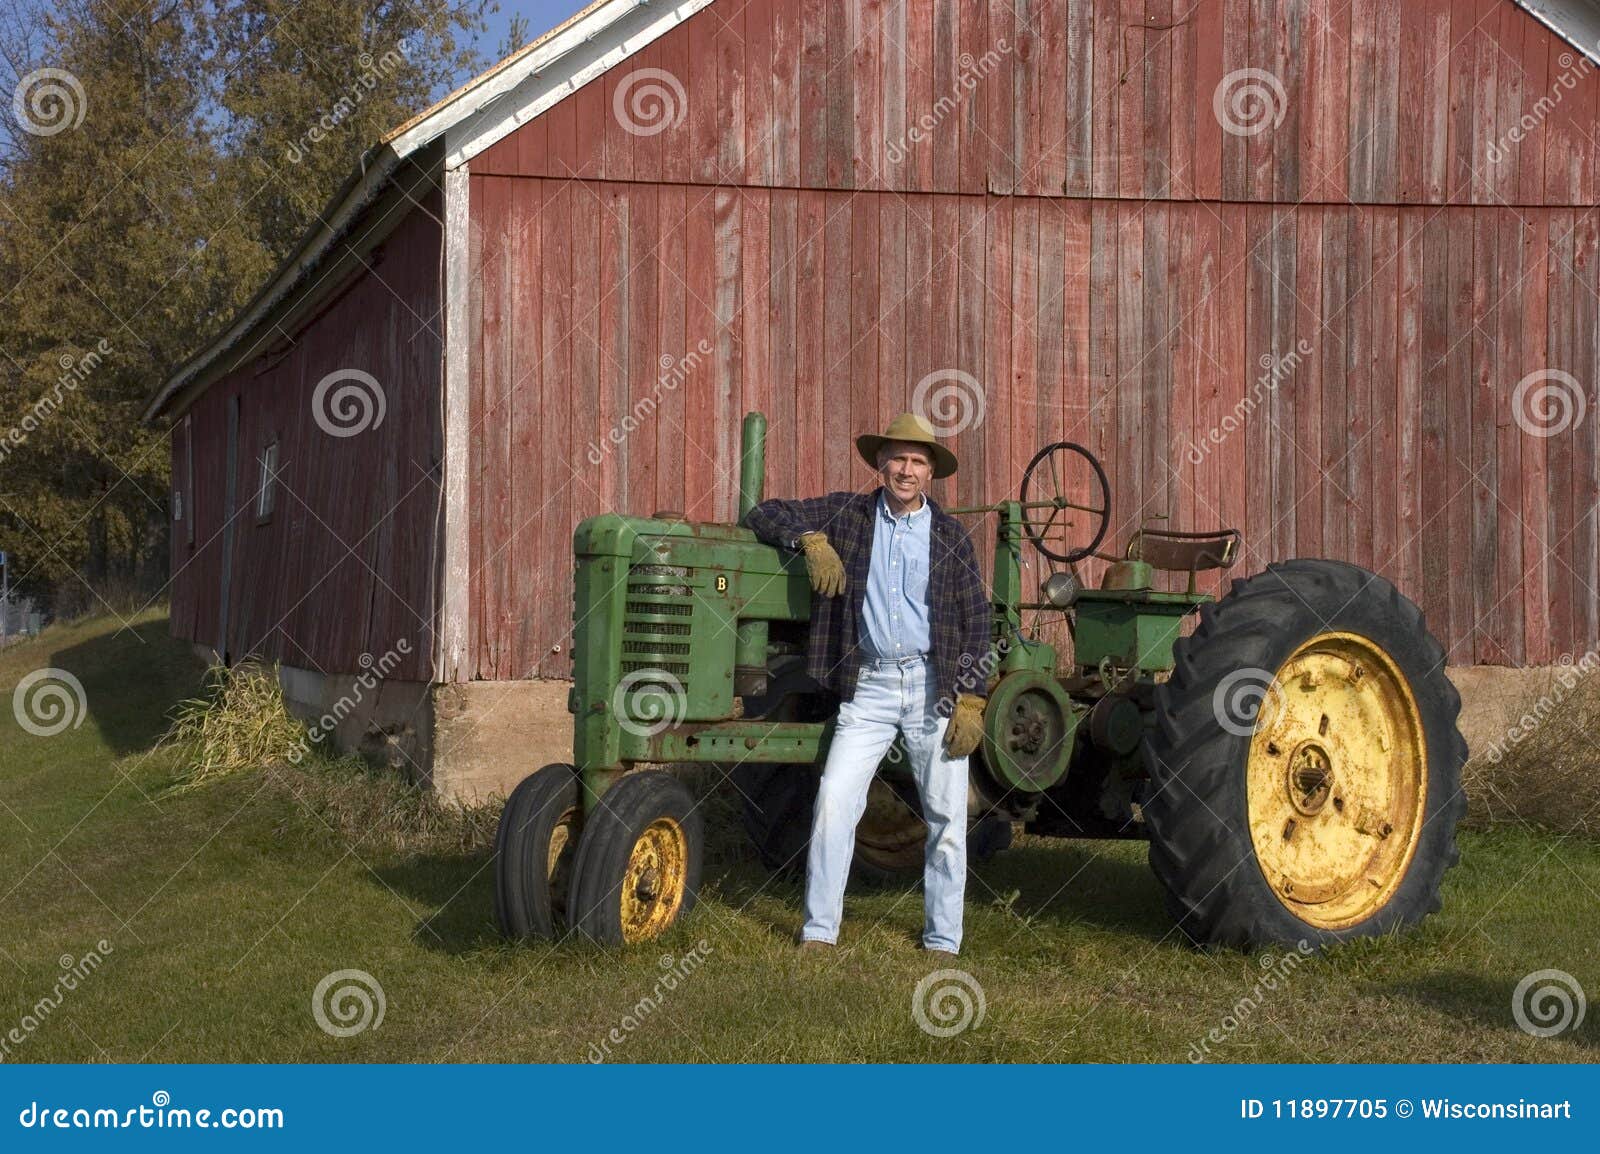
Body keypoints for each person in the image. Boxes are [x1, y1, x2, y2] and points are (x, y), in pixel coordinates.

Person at [741, 412, 990, 961]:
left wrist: (972, 697)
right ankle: (819, 932)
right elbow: (764, 513)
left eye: (917, 461)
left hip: (933, 689)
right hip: (869, 687)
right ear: (880, 464)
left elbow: (977, 620)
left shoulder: (950, 537)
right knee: (833, 802)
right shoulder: (850, 517)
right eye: (898, 458)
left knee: (948, 817)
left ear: (931, 473)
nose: (906, 469)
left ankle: (943, 940)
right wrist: (808, 539)